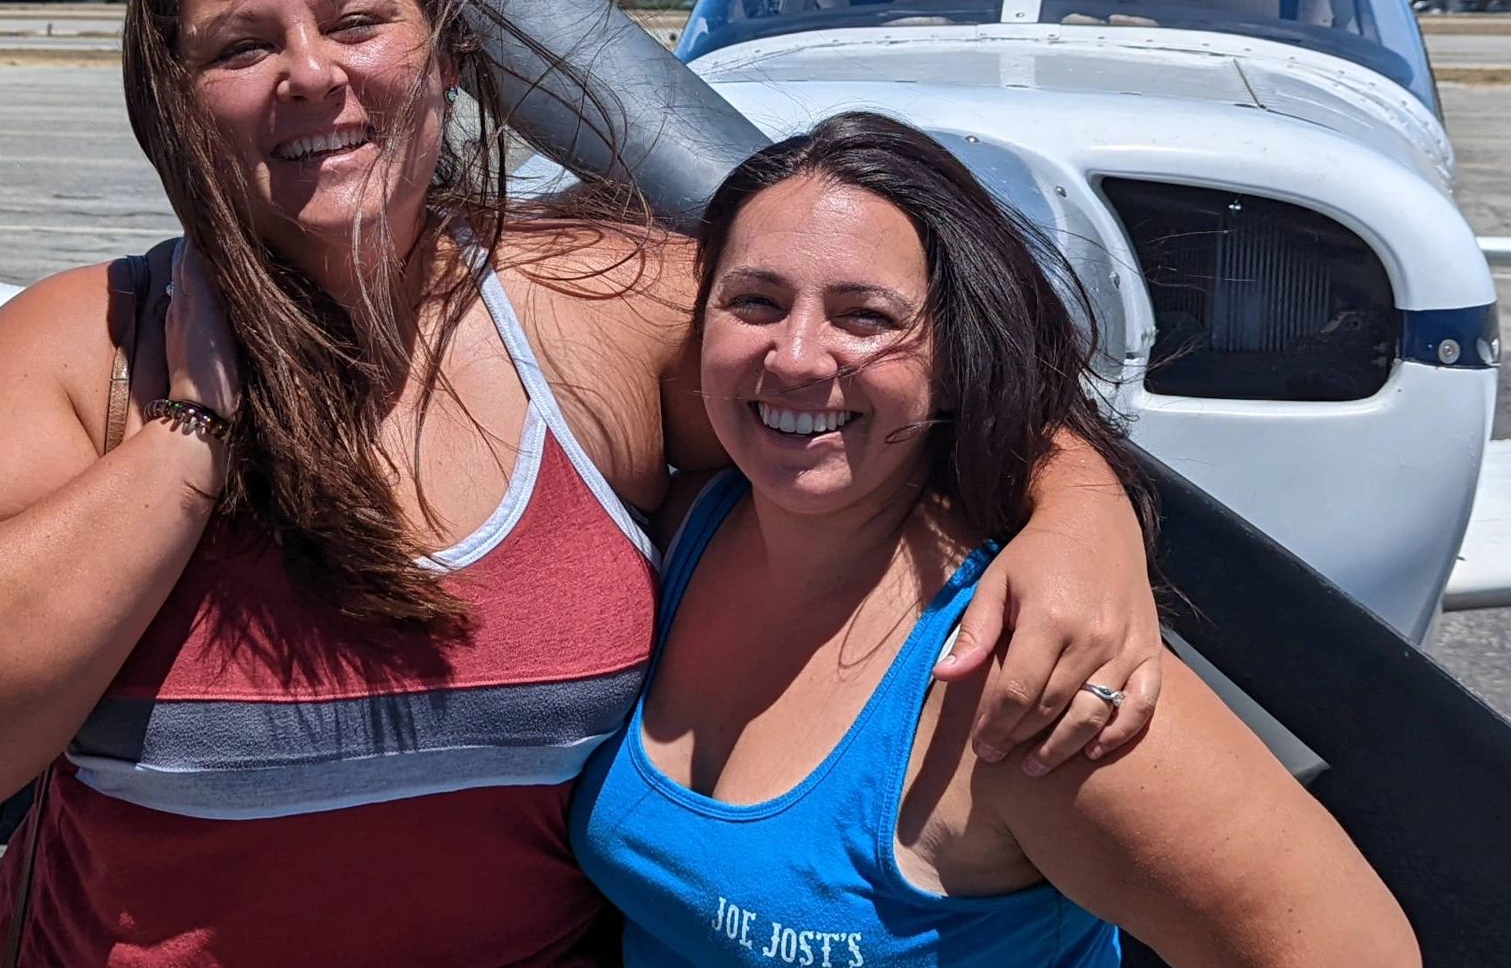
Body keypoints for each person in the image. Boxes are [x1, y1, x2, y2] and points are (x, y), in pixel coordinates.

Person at [0, 0, 1166, 967]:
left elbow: (875, 384)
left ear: (445, 55)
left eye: (354, 22)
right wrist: (192, 437)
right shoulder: (79, 352)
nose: (312, 75)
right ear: (175, 99)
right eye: (239, 46)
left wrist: (1079, 511)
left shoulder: (602, 309)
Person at [572, 112, 1418, 968]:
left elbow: (1349, 949)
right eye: (754, 301)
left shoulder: (1024, 671)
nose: (795, 358)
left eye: (865, 317)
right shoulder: (679, 531)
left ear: (957, 352)